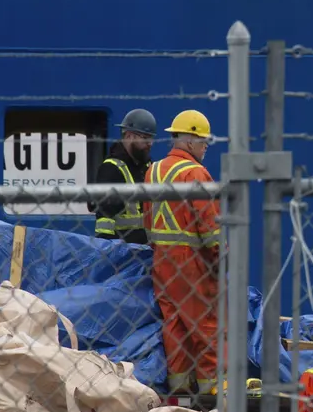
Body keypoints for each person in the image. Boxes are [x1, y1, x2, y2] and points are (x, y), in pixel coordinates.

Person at [143, 110, 220, 395]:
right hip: (193, 262)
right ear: (189, 141)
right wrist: (220, 261)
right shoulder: (195, 173)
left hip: (163, 261)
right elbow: (210, 227)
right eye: (203, 142)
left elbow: (148, 219)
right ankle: (209, 391)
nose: (205, 147)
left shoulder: (153, 170)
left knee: (174, 325)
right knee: (205, 323)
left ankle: (179, 389)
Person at [92, 109, 156, 244]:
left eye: (151, 138)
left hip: (148, 252)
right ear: (128, 136)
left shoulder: (148, 166)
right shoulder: (111, 169)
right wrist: (110, 253)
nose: (150, 143)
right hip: (124, 254)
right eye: (145, 138)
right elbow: (104, 222)